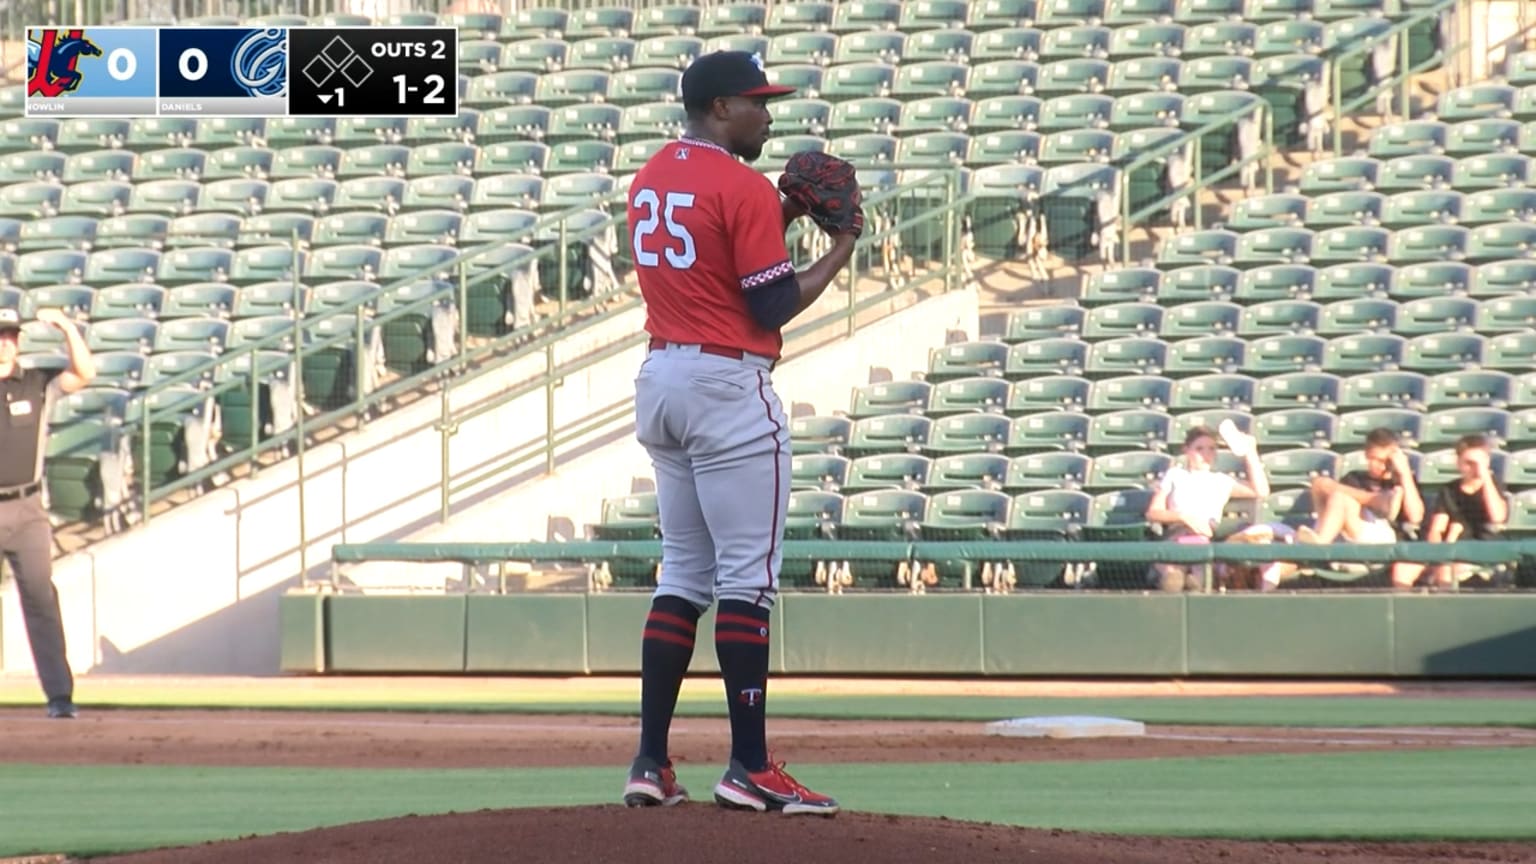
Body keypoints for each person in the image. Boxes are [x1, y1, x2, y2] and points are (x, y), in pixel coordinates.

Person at [619, 51, 856, 817]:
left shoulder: (652, 174)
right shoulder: (743, 186)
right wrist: (843, 245)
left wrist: (778, 213)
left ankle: (650, 764)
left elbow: (715, 262)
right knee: (746, 581)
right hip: (726, 384)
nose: (768, 114)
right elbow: (771, 305)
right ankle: (750, 766)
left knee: (682, 574)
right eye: (756, 102)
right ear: (721, 108)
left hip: (661, 377)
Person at [0, 307, 96, 718]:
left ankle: (60, 697)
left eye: (9, 337)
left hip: (27, 509)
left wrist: (67, 328)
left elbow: (84, 374)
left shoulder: (36, 383)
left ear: (18, 342)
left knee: (41, 601)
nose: (4, 344)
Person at [1144, 423, 1270, 592]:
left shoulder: (1220, 481)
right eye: (1200, 449)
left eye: (1211, 449)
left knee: (1197, 580)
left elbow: (1260, 491)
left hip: (1203, 540)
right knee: (1172, 578)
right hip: (1176, 536)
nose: (1206, 455)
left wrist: (1250, 452)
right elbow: (1153, 513)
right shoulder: (1175, 475)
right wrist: (1184, 517)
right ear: (1187, 450)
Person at [1297, 427, 1424, 583]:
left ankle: (1314, 552)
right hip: (1347, 542)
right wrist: (1372, 500)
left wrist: (1404, 473)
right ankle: (1377, 500)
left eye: (1385, 461)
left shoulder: (1402, 483)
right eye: (1374, 459)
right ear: (1366, 455)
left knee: (1340, 498)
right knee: (1323, 486)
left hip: (1383, 543)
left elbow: (1416, 517)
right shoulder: (1354, 479)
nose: (1380, 466)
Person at [1394, 434, 1508, 588]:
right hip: (1448, 547)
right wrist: (1437, 552)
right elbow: (1437, 529)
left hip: (1480, 549)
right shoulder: (1449, 490)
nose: (1474, 468)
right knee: (1402, 569)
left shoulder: (1494, 486)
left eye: (1479, 463)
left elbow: (1498, 517)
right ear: (1459, 463)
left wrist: (1485, 477)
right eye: (1469, 463)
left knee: (1446, 570)